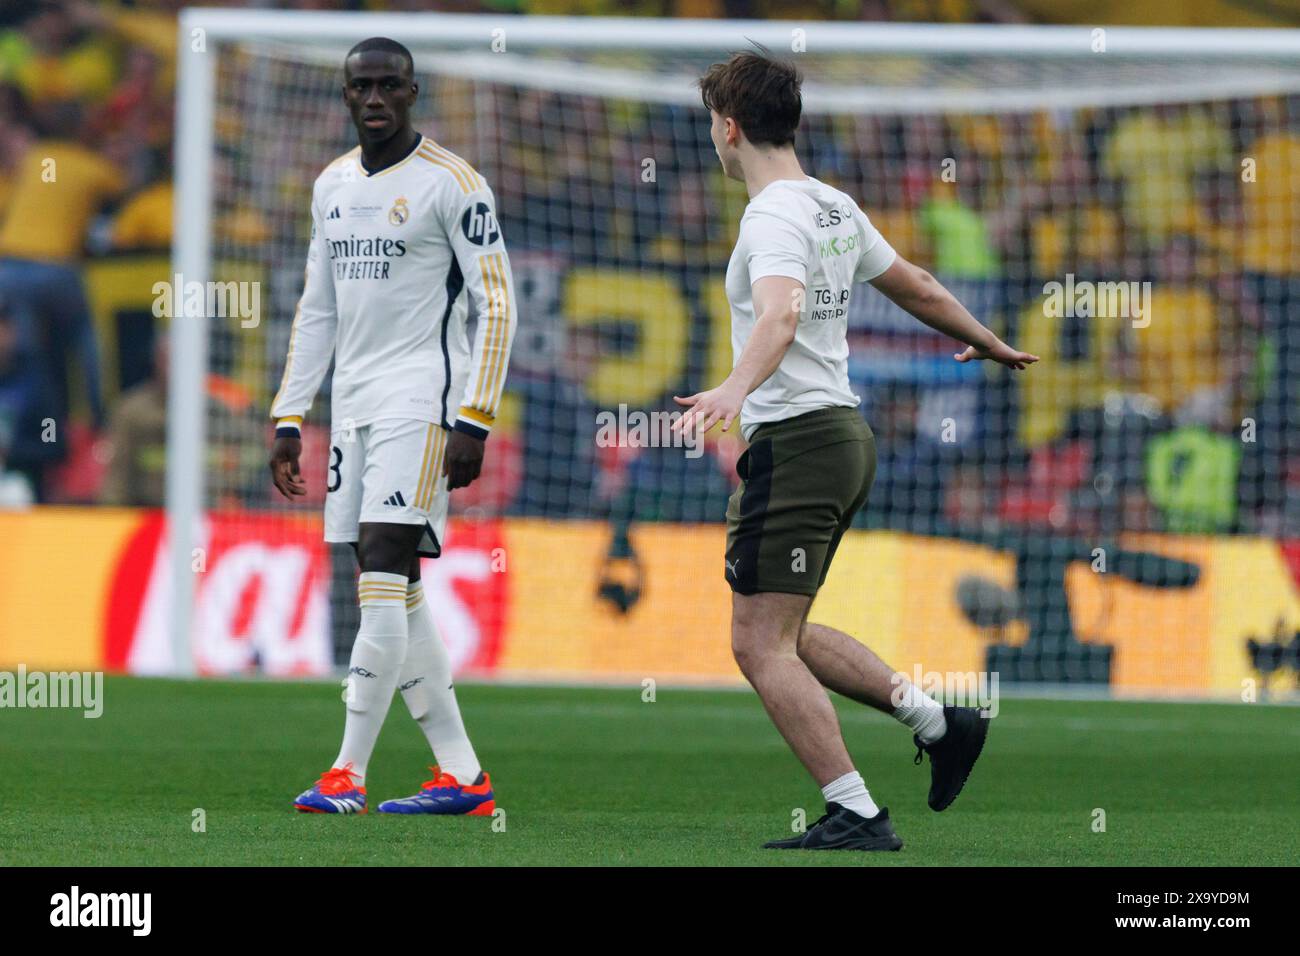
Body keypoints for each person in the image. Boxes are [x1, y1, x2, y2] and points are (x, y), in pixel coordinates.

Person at [674, 52, 1037, 851]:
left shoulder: (770, 216)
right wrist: (987, 339)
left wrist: (733, 389)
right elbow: (918, 286)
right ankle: (939, 723)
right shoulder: (832, 205)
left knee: (757, 643)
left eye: (710, 123)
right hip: (843, 438)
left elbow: (779, 315)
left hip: (800, 441)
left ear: (728, 129)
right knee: (787, 630)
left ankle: (858, 812)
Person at [269, 37, 516, 817]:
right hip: (354, 406)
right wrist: (289, 414)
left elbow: (497, 302)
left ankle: (347, 772)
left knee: (381, 557)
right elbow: (317, 308)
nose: (374, 98)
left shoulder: (454, 184)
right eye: (361, 87)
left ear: (412, 92)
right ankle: (462, 776)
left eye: (388, 85)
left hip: (424, 398)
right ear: (345, 96)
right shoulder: (332, 186)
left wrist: (474, 417)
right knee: (393, 581)